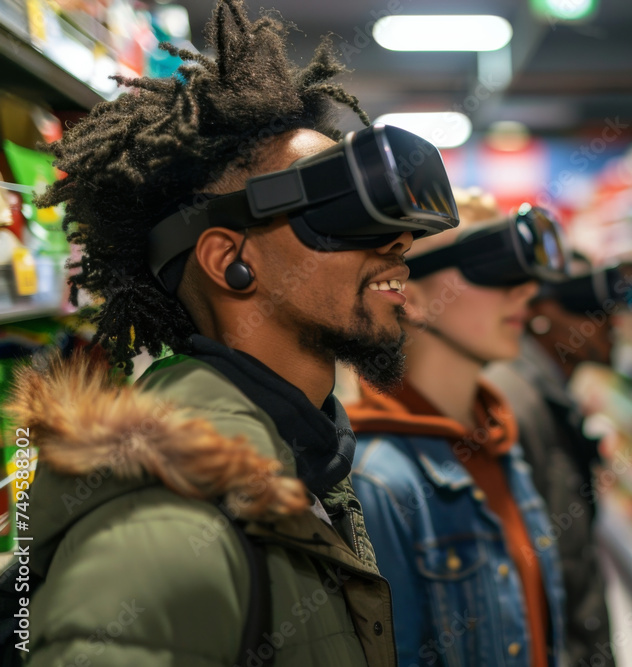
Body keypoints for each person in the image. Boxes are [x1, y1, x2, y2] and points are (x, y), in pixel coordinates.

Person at [0, 1, 461, 665]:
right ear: (228, 261)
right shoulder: (166, 521)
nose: (398, 243)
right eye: (341, 213)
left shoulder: (306, 460)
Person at [346, 189, 568, 667]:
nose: (525, 291)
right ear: (413, 297)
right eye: (491, 264)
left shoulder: (498, 439)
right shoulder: (379, 481)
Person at [485, 257, 632, 667]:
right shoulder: (515, 402)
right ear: (543, 314)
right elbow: (545, 561)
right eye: (592, 312)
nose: (612, 326)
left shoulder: (544, 390)